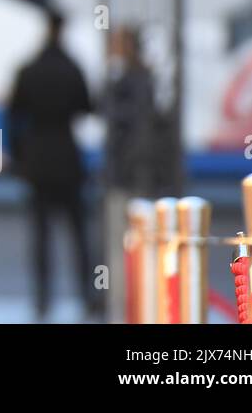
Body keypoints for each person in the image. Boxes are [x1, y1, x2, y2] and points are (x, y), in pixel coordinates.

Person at [6, 9, 100, 321]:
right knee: (78, 234)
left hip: (38, 158)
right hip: (67, 157)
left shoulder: (29, 68)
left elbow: (13, 114)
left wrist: (19, 156)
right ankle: (87, 296)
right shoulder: (72, 68)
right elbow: (87, 106)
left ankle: (42, 299)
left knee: (40, 236)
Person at [101, 24, 157, 322]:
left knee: (122, 248)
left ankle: (124, 311)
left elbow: (120, 122)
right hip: (131, 174)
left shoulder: (128, 81)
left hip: (127, 176)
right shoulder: (140, 79)